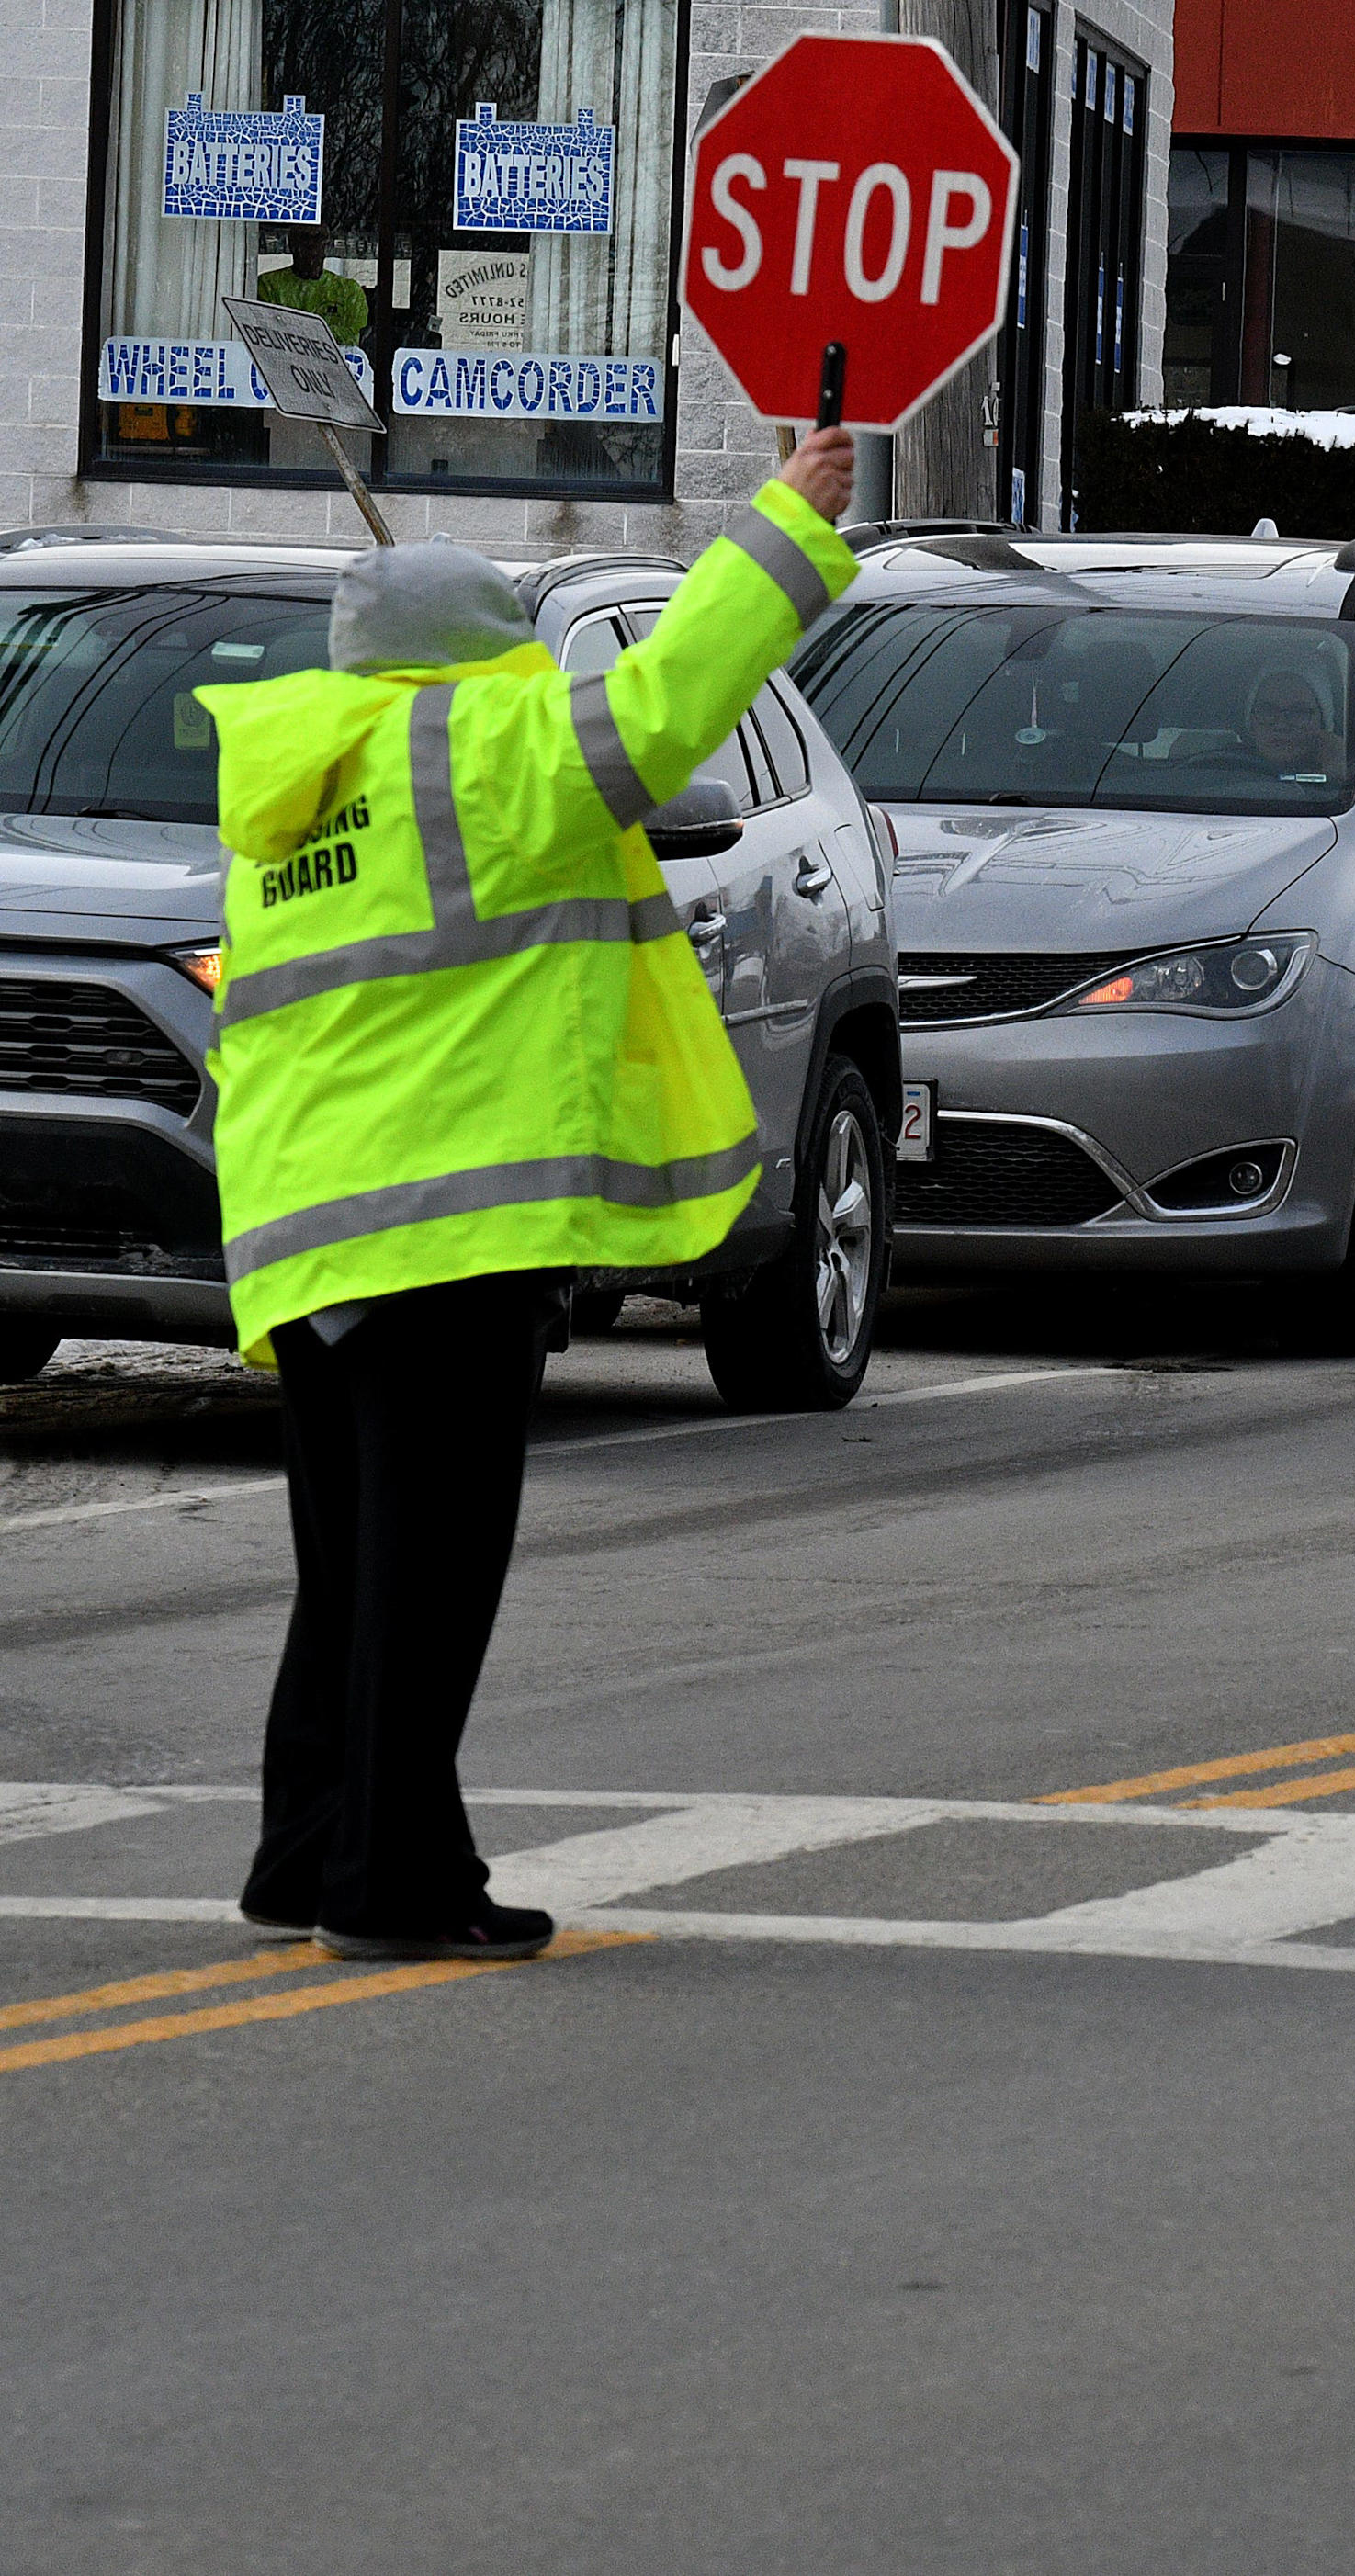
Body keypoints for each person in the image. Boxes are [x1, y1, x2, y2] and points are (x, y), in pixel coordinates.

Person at [198, 426, 863, 1962]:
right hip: (451, 1221)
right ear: (486, 653)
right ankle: (390, 1885)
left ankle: (307, 1849)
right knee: (429, 1571)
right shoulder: (487, 749)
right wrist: (786, 521)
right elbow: (671, 694)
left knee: (350, 1567)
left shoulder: (299, 788)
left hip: (307, 1231)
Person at [253, 228, 368, 348]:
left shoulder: (348, 291)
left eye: (318, 242)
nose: (312, 253)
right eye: (305, 244)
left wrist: (297, 329)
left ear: (325, 249)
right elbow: (265, 332)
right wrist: (320, 331)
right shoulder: (268, 285)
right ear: (292, 247)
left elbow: (352, 338)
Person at [1244, 666, 1342, 779]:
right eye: (1267, 711)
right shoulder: (1228, 771)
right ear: (1251, 721)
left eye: (1299, 713)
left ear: (1322, 723)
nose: (1281, 725)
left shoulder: (1352, 782)